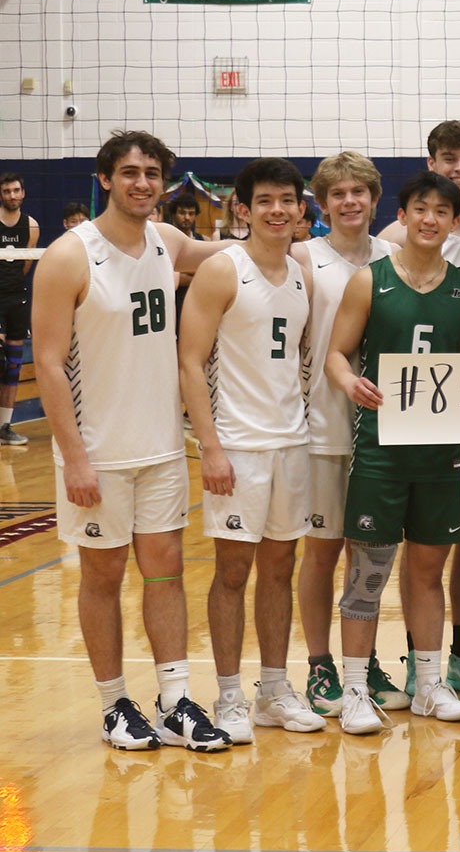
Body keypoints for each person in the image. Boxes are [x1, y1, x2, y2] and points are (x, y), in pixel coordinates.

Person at [34, 130, 229, 751]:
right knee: (102, 576)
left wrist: (337, 248)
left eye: (152, 174)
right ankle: (114, 704)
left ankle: (174, 699)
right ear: (105, 180)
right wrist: (75, 458)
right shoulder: (69, 256)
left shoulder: (166, 240)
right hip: (99, 453)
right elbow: (46, 363)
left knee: (166, 573)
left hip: (163, 447)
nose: (142, 183)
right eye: (130, 173)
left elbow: (232, 255)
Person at [325, 170, 460, 734]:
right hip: (380, 448)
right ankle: (355, 689)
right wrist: (351, 383)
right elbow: (336, 353)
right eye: (419, 208)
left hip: (441, 451)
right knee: (368, 570)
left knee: (428, 571)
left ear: (454, 223)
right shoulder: (367, 281)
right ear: (401, 217)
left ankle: (427, 684)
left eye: (441, 212)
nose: (429, 219)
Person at [177, 157, 328, 742]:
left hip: (291, 443)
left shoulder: (301, 275)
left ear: (299, 208)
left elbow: (299, 362)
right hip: (236, 448)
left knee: (280, 570)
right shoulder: (221, 270)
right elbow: (190, 361)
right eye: (264, 200)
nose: (277, 210)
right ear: (243, 209)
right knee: (233, 572)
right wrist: (209, 447)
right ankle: (231, 696)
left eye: (287, 200)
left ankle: (273, 690)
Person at [297, 151, 421, 716]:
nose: (350, 202)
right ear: (322, 204)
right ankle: (321, 664)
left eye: (360, 192)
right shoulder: (303, 259)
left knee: (369, 553)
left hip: (388, 428)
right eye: (338, 194)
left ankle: (360, 661)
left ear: (375, 200)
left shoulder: (398, 256)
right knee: (322, 553)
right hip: (324, 424)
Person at [0, 172, 39, 447]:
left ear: (23, 192)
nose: (12, 195)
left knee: (14, 363)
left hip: (17, 298)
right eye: (6, 191)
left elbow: (26, 265)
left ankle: (5, 426)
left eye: (16, 190)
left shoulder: (32, 226)